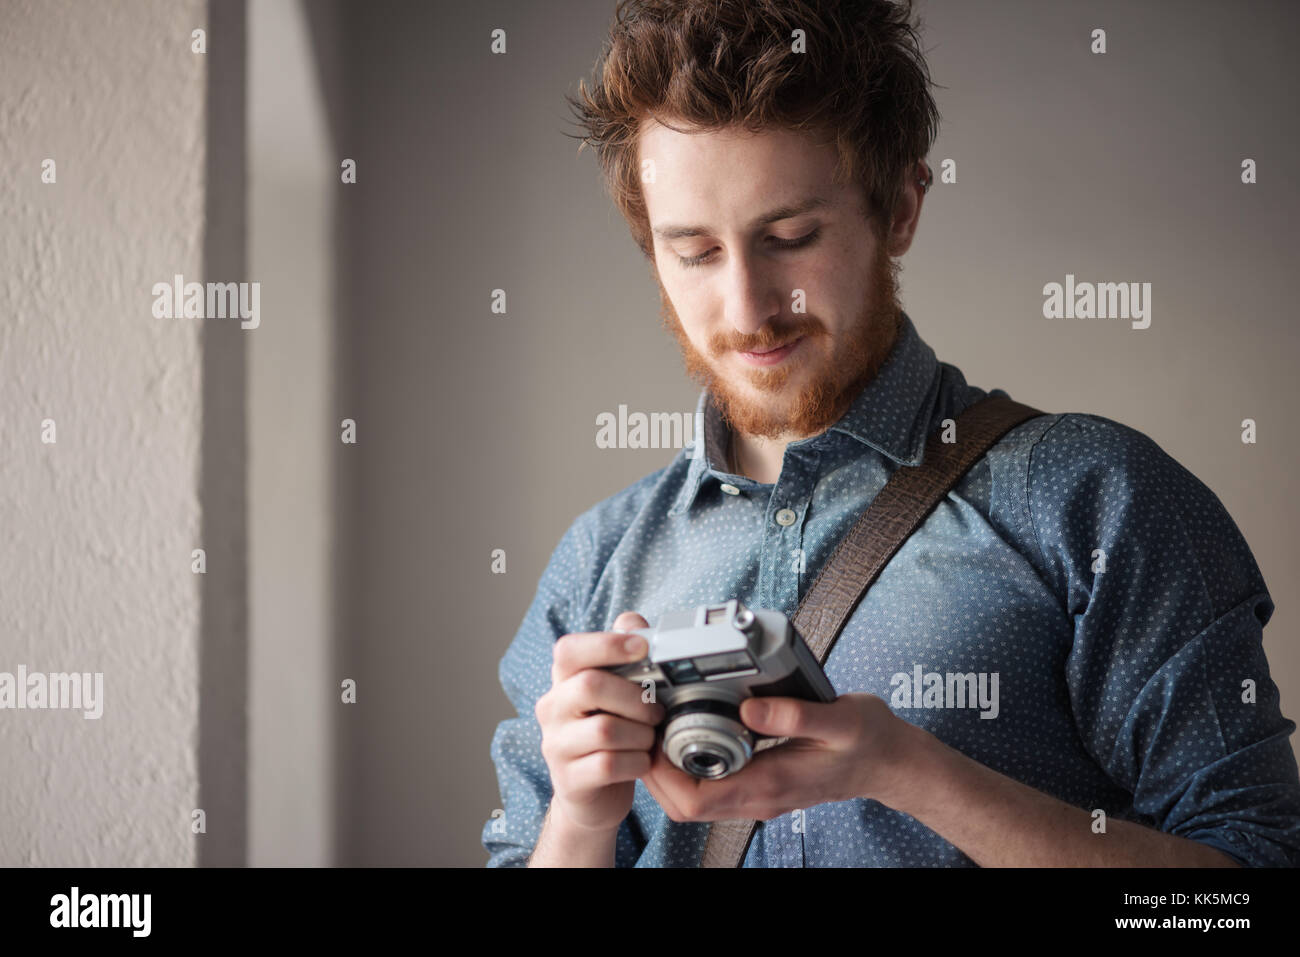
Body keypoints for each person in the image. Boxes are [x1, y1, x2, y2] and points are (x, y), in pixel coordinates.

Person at [482, 0, 1300, 867]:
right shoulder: (595, 562)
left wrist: (911, 772)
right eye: (694, 253)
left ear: (900, 207)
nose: (750, 309)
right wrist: (577, 822)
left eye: (791, 237)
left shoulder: (1094, 499)